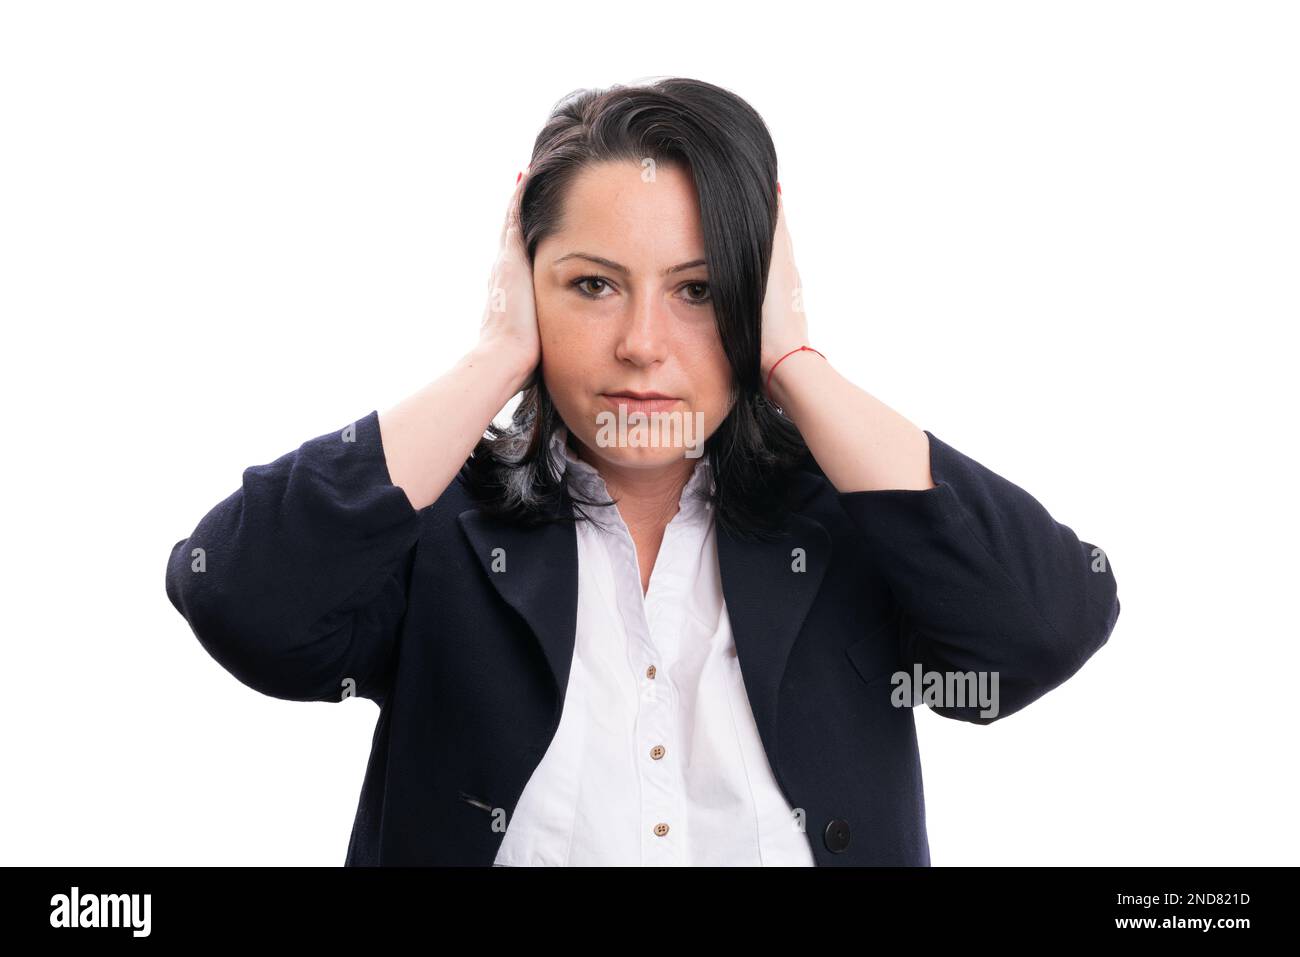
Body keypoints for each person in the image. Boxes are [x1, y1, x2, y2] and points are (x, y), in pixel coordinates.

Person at [165, 77, 1120, 866]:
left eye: (700, 290)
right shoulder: (438, 528)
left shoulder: (850, 528)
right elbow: (242, 600)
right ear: (527, 286)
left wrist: (793, 361)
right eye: (591, 284)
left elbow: (1047, 624)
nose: (642, 346)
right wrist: (495, 355)